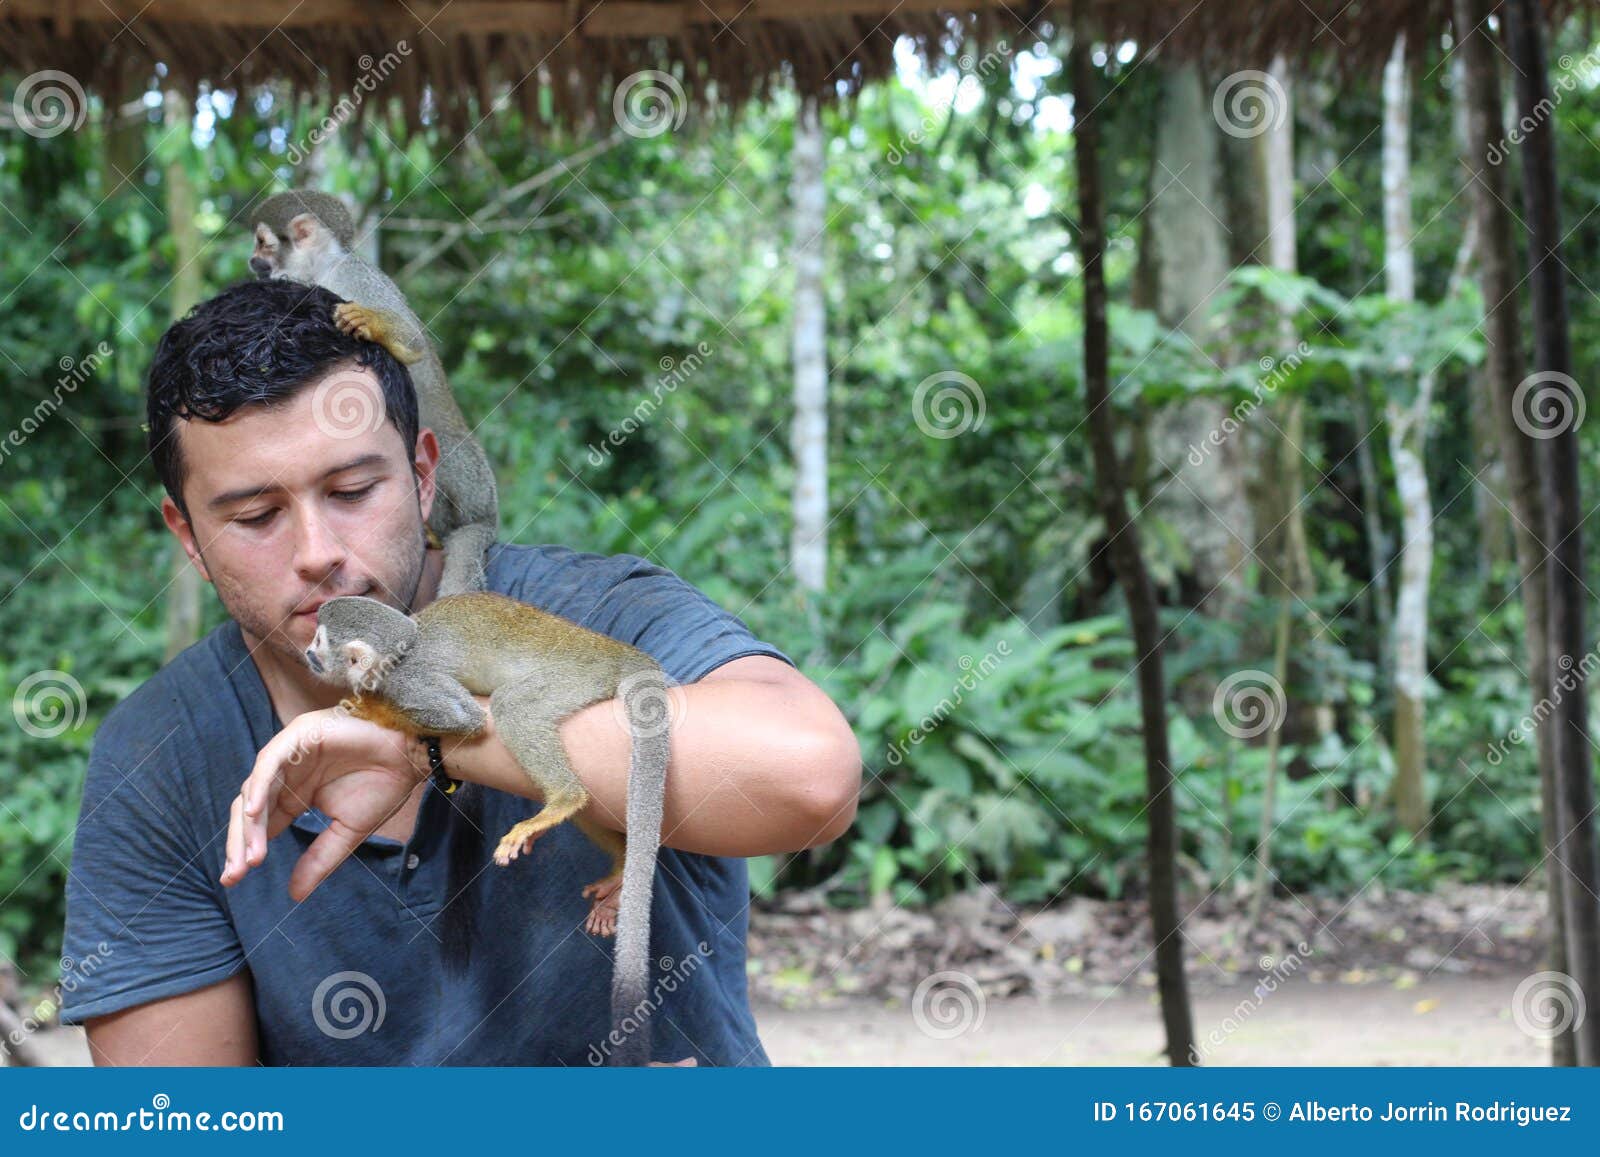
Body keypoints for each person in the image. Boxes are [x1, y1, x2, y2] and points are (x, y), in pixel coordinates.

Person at [56, 278, 860, 1066]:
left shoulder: (590, 609)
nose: (317, 553)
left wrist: (425, 745)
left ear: (423, 475)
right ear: (189, 536)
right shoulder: (162, 753)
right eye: (257, 516)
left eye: (352, 489)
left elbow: (810, 779)